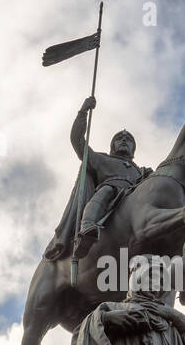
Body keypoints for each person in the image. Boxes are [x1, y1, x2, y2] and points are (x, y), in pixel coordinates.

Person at [43, 96, 150, 261]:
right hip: (109, 197)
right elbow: (77, 140)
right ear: (112, 146)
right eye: (119, 139)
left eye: (128, 140)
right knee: (107, 190)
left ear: (133, 149)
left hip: (134, 202)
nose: (123, 141)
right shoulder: (101, 159)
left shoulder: (140, 171)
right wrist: (83, 111)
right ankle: (87, 227)